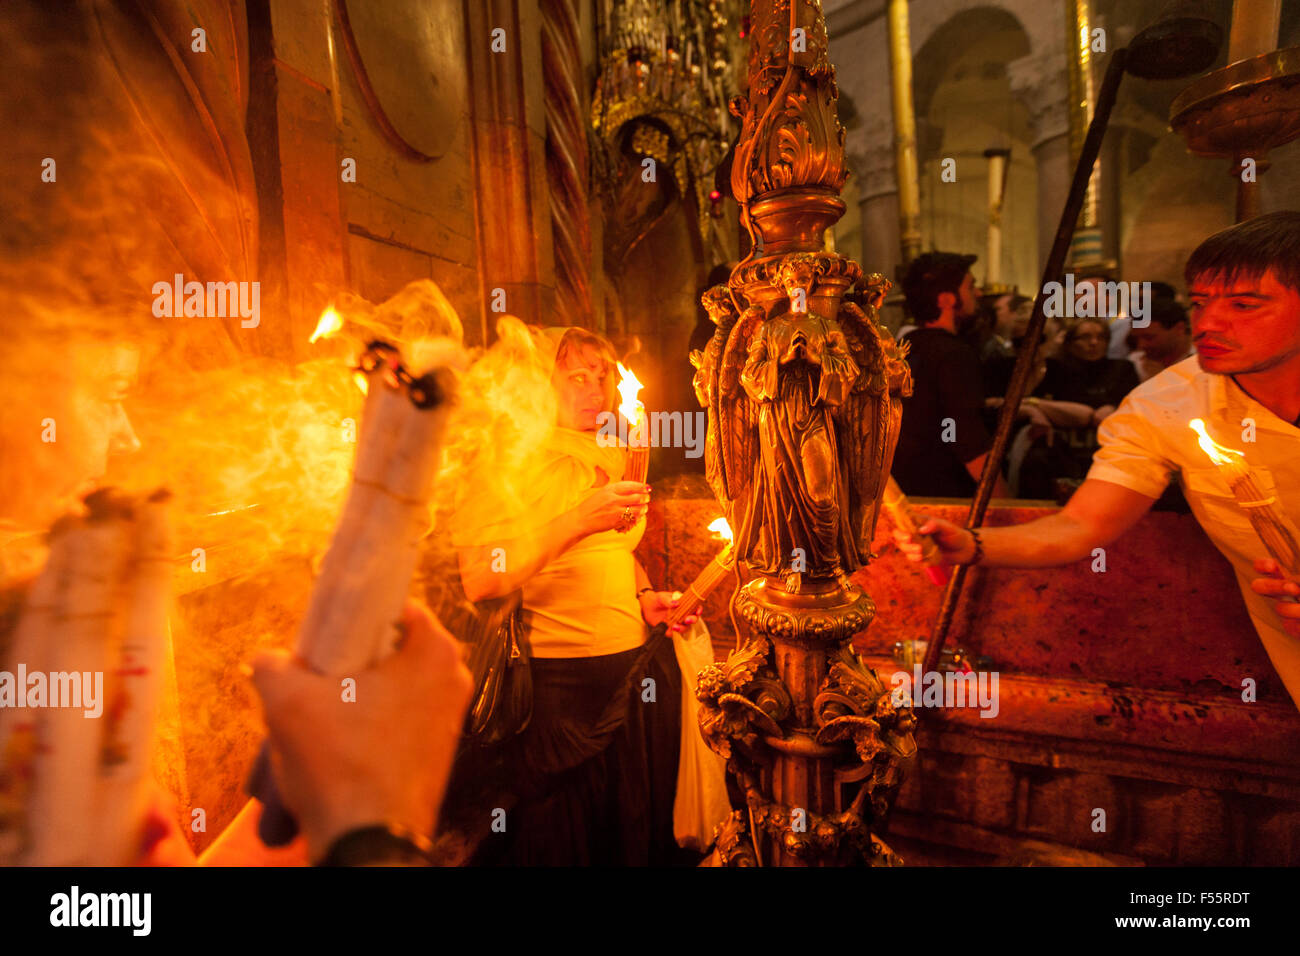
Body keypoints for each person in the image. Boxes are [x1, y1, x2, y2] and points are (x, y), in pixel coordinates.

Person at [894, 212, 1300, 711]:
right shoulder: (1169, 406)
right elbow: (1082, 525)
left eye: (1244, 304)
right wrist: (973, 543)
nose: (1209, 323)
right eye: (1199, 303)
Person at [452, 325, 699, 866]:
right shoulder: (505, 460)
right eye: (577, 377)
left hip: (630, 669)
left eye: (603, 376)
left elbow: (617, 552)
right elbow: (480, 575)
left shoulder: (615, 452)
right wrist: (575, 520)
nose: (595, 389)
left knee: (629, 828)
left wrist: (645, 597)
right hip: (556, 687)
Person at [891, 252, 1011, 498]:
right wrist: (1005, 503)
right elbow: (965, 438)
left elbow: (931, 413)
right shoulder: (954, 354)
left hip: (908, 490)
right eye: (970, 286)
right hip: (947, 494)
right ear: (946, 299)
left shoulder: (904, 346)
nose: (977, 294)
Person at [1015, 317, 1140, 500]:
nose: (1094, 343)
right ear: (1070, 342)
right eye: (1085, 337)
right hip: (1062, 454)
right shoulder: (1055, 369)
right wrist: (1079, 413)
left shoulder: (1122, 368)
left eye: (1101, 337)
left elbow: (1132, 407)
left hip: (1108, 454)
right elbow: (1033, 401)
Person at [1130, 296, 1196, 382]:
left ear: (1180, 329)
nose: (1141, 345)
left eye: (1149, 337)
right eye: (1136, 338)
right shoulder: (1135, 363)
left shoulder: (1207, 361)